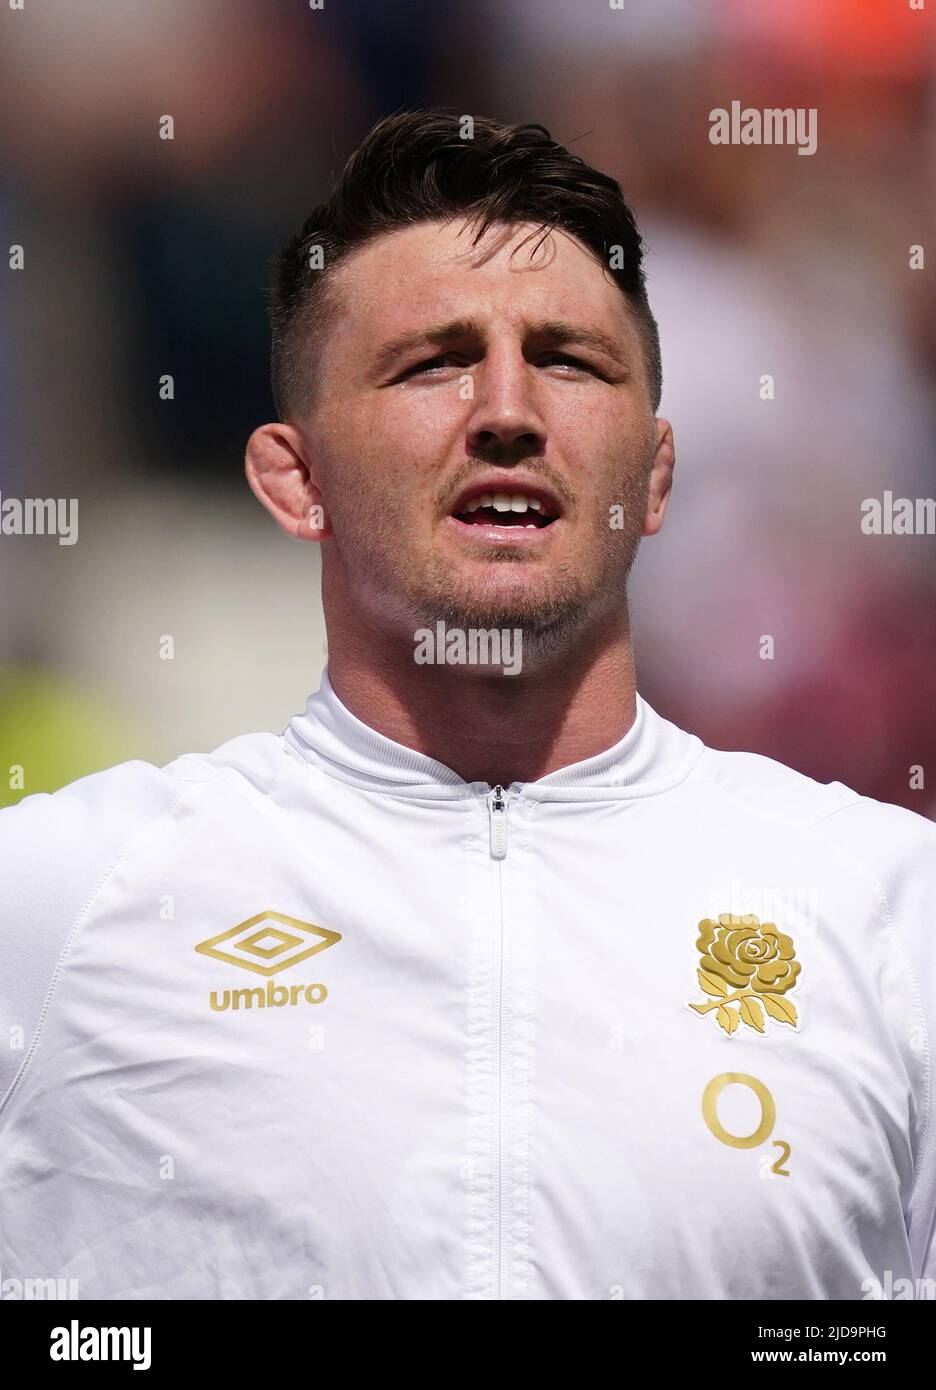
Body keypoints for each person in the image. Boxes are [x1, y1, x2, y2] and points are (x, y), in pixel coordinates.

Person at [1, 109, 934, 1302]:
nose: (507, 408)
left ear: (652, 479)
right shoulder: (54, 903)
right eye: (432, 361)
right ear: (297, 481)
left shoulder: (895, 915)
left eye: (570, 359)